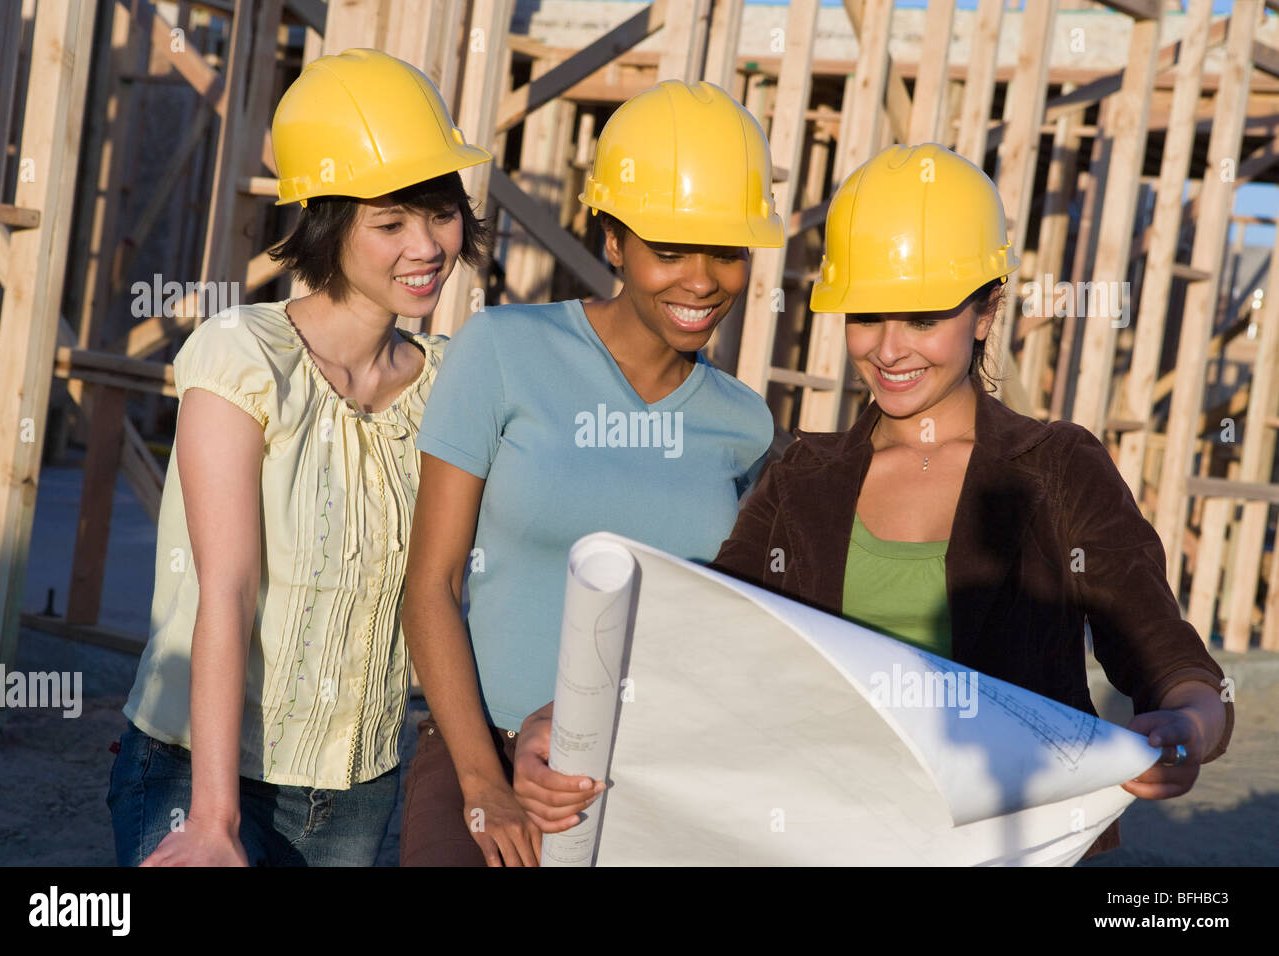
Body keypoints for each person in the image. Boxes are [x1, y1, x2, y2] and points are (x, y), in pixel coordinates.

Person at [513, 143, 1233, 860]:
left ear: (985, 312)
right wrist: (567, 722)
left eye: (921, 319)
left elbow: (1167, 657)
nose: (888, 351)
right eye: (866, 317)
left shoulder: (1056, 470)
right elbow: (710, 648)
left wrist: (1188, 728)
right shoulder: (803, 477)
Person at [106, 49, 491, 866]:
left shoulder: (451, 381)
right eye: (390, 223)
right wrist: (213, 819)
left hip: (359, 787)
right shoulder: (245, 353)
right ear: (326, 224)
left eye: (441, 214)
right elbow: (228, 586)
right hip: (203, 771)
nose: (426, 247)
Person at [399, 80, 784, 867]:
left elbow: (717, 631)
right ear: (613, 240)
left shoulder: (746, 424)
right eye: (669, 249)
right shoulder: (502, 352)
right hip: (487, 749)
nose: (702, 279)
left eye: (727, 251)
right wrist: (484, 781)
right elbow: (429, 583)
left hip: (651, 771)